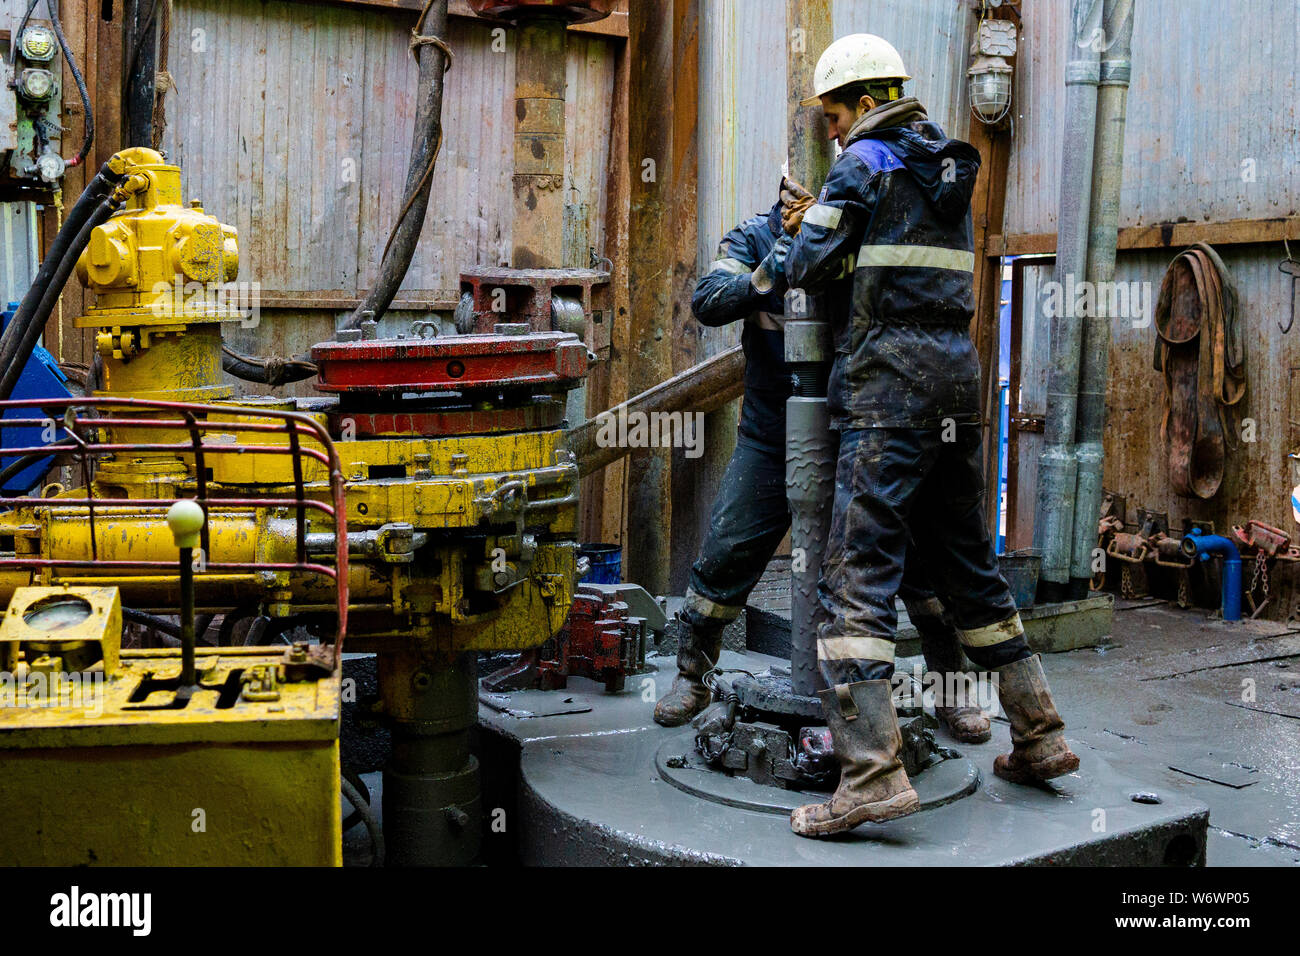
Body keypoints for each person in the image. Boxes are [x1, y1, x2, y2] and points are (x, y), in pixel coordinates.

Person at [780, 33, 1079, 838]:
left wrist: (797, 230)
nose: (834, 130)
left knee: (854, 577)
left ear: (870, 102)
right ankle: (1042, 736)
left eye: (837, 114)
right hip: (957, 381)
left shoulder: (862, 165)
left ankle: (871, 776)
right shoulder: (948, 167)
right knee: (969, 569)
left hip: (887, 390)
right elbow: (897, 264)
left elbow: (808, 265)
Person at [654, 188, 993, 750]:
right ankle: (693, 677)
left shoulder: (854, 240)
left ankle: (952, 690)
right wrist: (780, 262)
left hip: (853, 434)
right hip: (770, 434)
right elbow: (710, 300)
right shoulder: (754, 238)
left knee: (916, 566)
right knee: (725, 549)